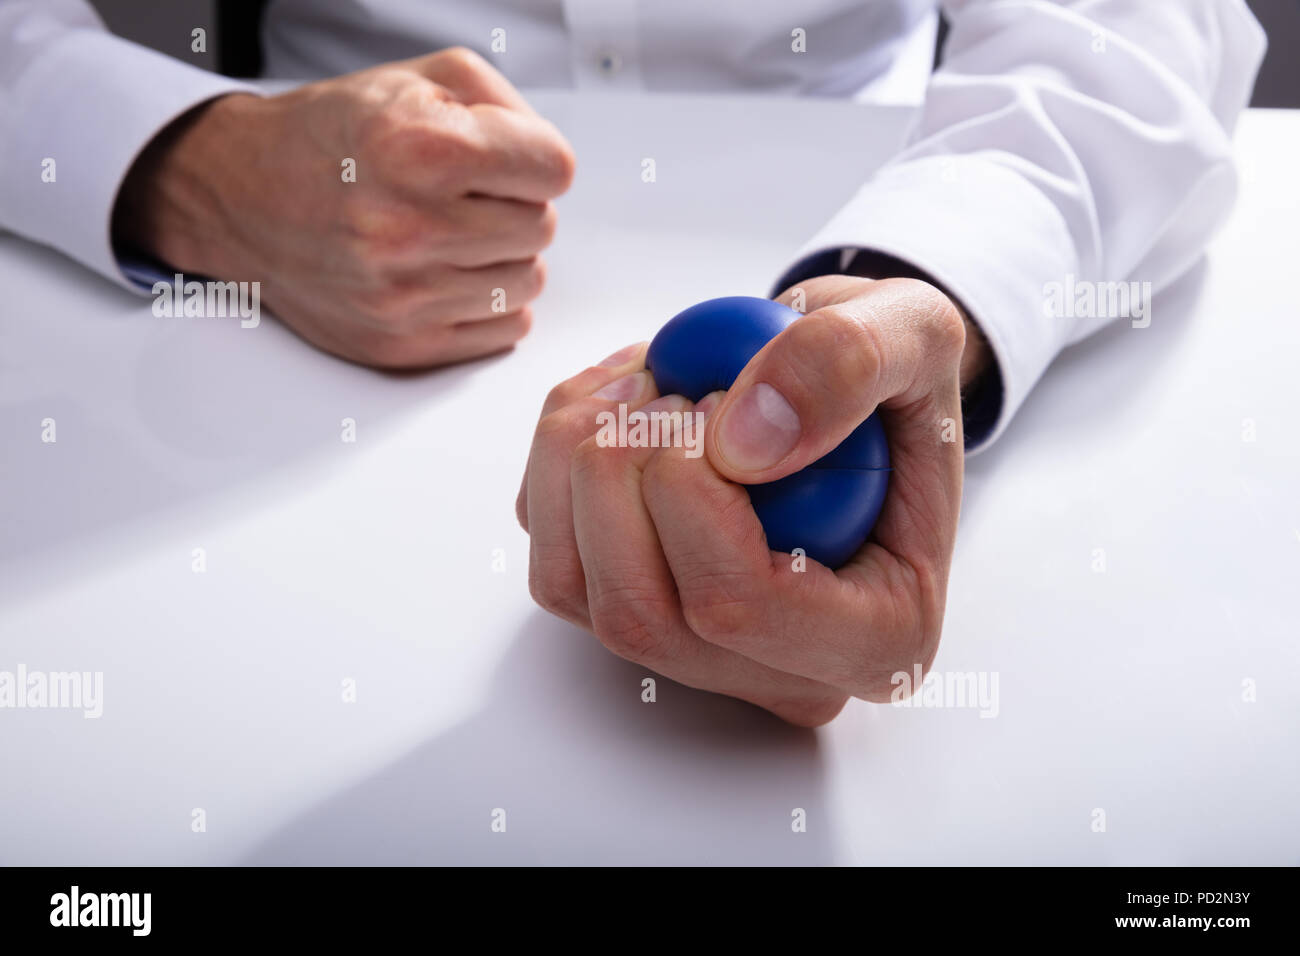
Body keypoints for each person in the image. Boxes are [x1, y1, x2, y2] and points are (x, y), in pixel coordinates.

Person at [0, 1, 1266, 724]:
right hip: (287, 275)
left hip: (883, 175)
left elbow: (1143, 26)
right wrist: (187, 162)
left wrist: (927, 288)